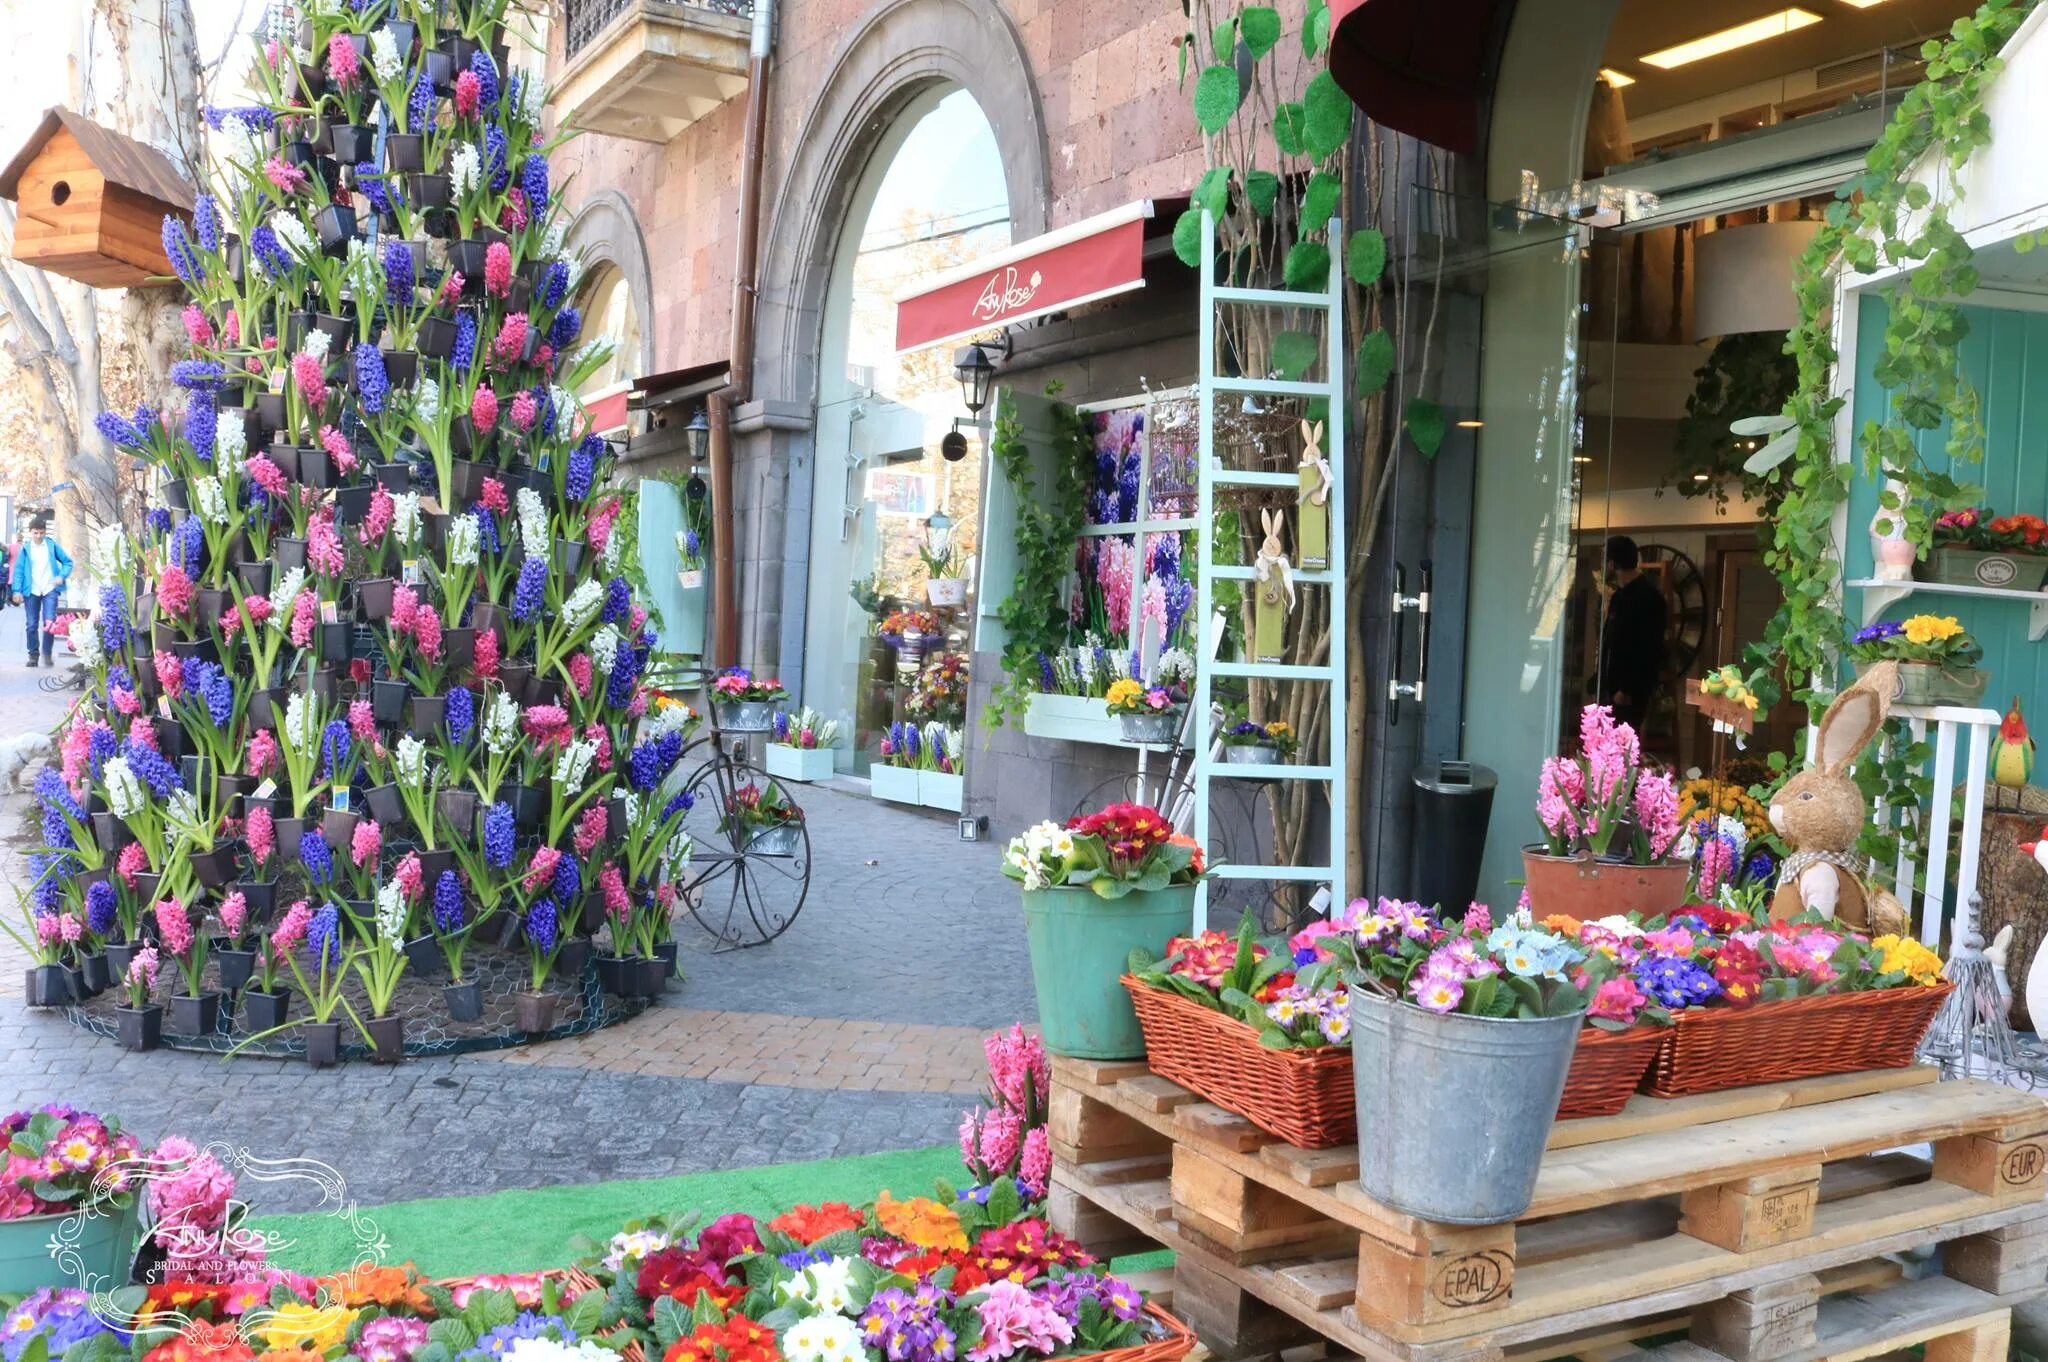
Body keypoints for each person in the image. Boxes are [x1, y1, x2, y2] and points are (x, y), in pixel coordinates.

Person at [1599, 534, 1666, 732]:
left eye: (1604, 559)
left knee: (1622, 751)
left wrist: (1626, 689)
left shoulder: (1648, 598)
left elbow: (1647, 648)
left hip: (1628, 694)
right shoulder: (1620, 597)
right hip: (1611, 689)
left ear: (1612, 564)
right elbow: (1612, 639)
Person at [11, 517, 72, 668]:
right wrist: (16, 590)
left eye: (42, 533)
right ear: (30, 532)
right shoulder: (25, 549)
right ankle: (33, 655)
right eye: (36, 533)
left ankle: (47, 653)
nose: (39, 536)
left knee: (49, 623)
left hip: (50, 589)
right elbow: (18, 571)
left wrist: (61, 576)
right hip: (31, 590)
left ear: (45, 531)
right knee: (31, 624)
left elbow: (67, 562)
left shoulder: (51, 546)